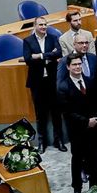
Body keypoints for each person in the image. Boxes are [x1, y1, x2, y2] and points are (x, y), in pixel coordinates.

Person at [58, 53, 97, 193]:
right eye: (74, 65)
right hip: (77, 130)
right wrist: (85, 122)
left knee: (94, 157)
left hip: (93, 127)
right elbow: (67, 111)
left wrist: (94, 119)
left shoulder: (91, 82)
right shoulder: (63, 86)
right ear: (68, 67)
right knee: (77, 158)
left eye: (79, 64)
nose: (77, 67)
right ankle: (77, 188)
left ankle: (95, 186)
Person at [23, 16, 65, 152]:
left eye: (45, 24)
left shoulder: (53, 38)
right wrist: (48, 55)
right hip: (37, 83)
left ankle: (59, 141)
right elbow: (28, 59)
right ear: (35, 26)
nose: (43, 27)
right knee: (40, 114)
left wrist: (39, 56)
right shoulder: (28, 41)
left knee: (56, 113)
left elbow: (59, 52)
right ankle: (42, 142)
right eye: (40, 25)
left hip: (52, 81)